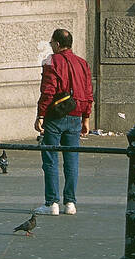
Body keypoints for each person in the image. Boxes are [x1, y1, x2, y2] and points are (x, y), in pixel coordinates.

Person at [34, 29, 93, 216]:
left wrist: (40, 114)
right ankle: (70, 202)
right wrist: (86, 118)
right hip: (76, 115)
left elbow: (48, 91)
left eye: (52, 43)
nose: (51, 46)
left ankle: (52, 203)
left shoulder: (52, 61)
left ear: (57, 44)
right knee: (72, 159)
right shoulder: (82, 63)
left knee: (50, 159)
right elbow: (88, 92)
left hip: (55, 115)